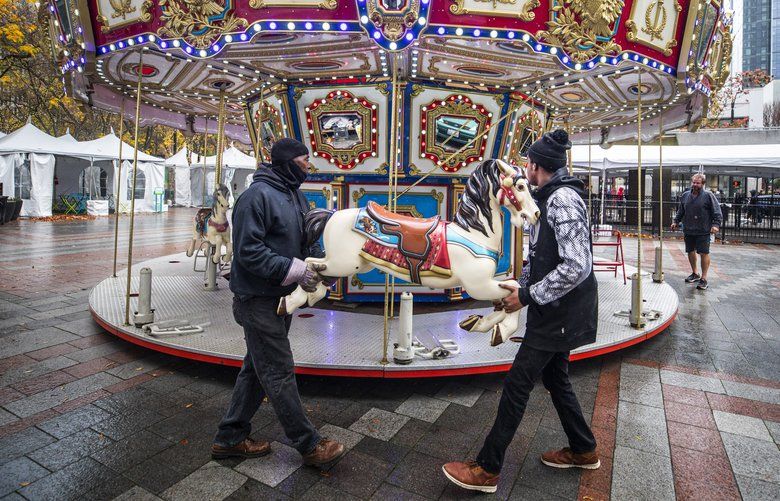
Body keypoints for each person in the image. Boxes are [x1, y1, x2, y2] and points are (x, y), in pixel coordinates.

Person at [442, 129, 599, 494]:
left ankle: (487, 467)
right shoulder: (550, 196)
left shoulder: (560, 199)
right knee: (556, 379)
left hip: (561, 311)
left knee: (517, 384)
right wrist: (521, 283)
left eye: (526, 165)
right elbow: (544, 252)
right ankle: (583, 448)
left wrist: (528, 296)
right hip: (561, 308)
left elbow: (577, 265)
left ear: (534, 166)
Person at [212, 138, 345, 465]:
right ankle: (309, 444)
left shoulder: (294, 195)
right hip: (256, 300)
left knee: (257, 369)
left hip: (277, 299)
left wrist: (323, 265)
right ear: (286, 162)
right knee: (278, 370)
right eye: (303, 162)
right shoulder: (254, 198)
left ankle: (230, 436)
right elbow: (248, 252)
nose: (307, 168)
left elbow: (305, 239)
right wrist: (294, 269)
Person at [671, 173, 722, 291]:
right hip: (688, 228)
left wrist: (716, 225)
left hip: (703, 229)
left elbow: (717, 212)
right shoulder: (685, 195)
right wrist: (676, 221)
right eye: (693, 182)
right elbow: (681, 211)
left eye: (698, 183)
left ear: (703, 184)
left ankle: (704, 278)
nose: (695, 185)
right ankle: (695, 273)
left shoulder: (709, 196)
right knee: (690, 251)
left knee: (704, 253)